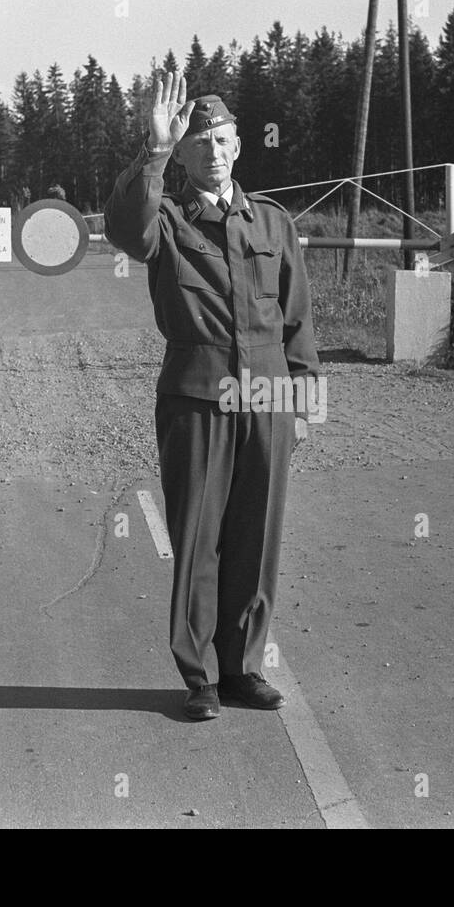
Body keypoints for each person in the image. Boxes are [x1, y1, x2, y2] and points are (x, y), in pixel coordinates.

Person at [104, 72, 320, 721]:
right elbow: (124, 231)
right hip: (196, 398)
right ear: (186, 154)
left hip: (268, 400)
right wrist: (155, 150)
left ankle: (242, 668)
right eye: (199, 144)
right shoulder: (166, 219)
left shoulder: (273, 223)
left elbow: (297, 321)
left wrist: (305, 408)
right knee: (197, 537)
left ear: (239, 146)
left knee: (256, 538)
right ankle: (199, 676)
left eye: (222, 141)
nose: (214, 152)